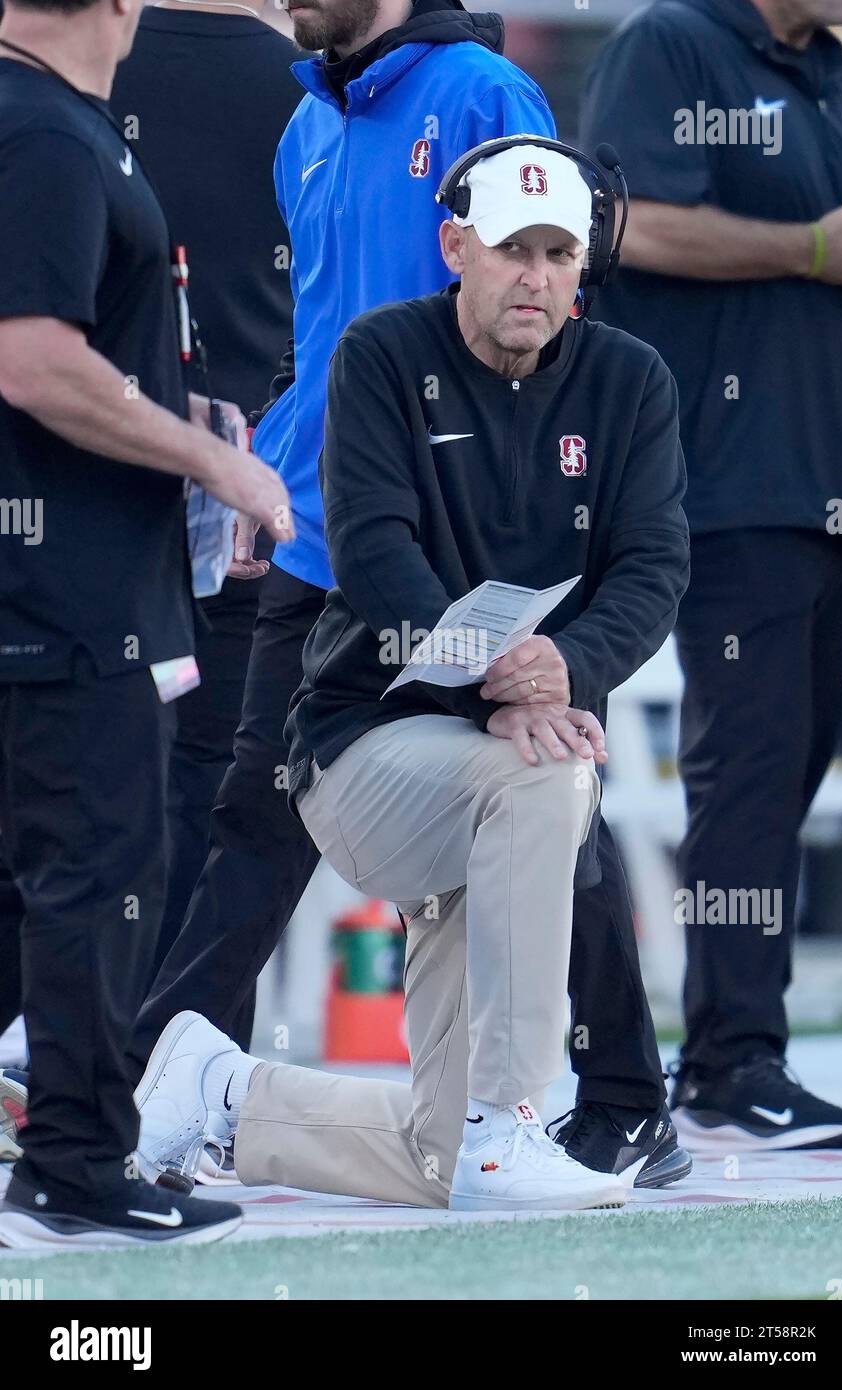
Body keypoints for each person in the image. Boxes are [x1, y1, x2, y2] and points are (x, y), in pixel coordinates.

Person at [126, 0, 688, 1190]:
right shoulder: (306, 126)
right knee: (260, 815)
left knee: (533, 791)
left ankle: (611, 1099)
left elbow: (548, 287)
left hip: (461, 549)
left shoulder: (480, 91)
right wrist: (263, 473)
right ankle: (159, 1078)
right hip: (327, 537)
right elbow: (313, 339)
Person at [0, 0, 291, 1247]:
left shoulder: (57, 125)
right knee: (101, 873)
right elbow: (35, 360)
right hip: (67, 595)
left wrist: (188, 425)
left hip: (63, 580)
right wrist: (216, 463)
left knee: (43, 880)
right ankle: (72, 1163)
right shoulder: (46, 135)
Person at [580, 0, 842, 1150]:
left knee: (786, 767)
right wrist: (805, 249)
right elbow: (620, 223)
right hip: (735, 478)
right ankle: (731, 1060)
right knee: (744, 771)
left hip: (825, 477)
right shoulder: (669, 46)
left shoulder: (827, 68)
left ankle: (733, 1049)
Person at [108, 0, 302, 1046]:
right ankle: (182, 1076)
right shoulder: (312, 93)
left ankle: (79, 1068)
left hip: (87, 489)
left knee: (84, 799)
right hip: (258, 497)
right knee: (222, 794)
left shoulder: (80, 74)